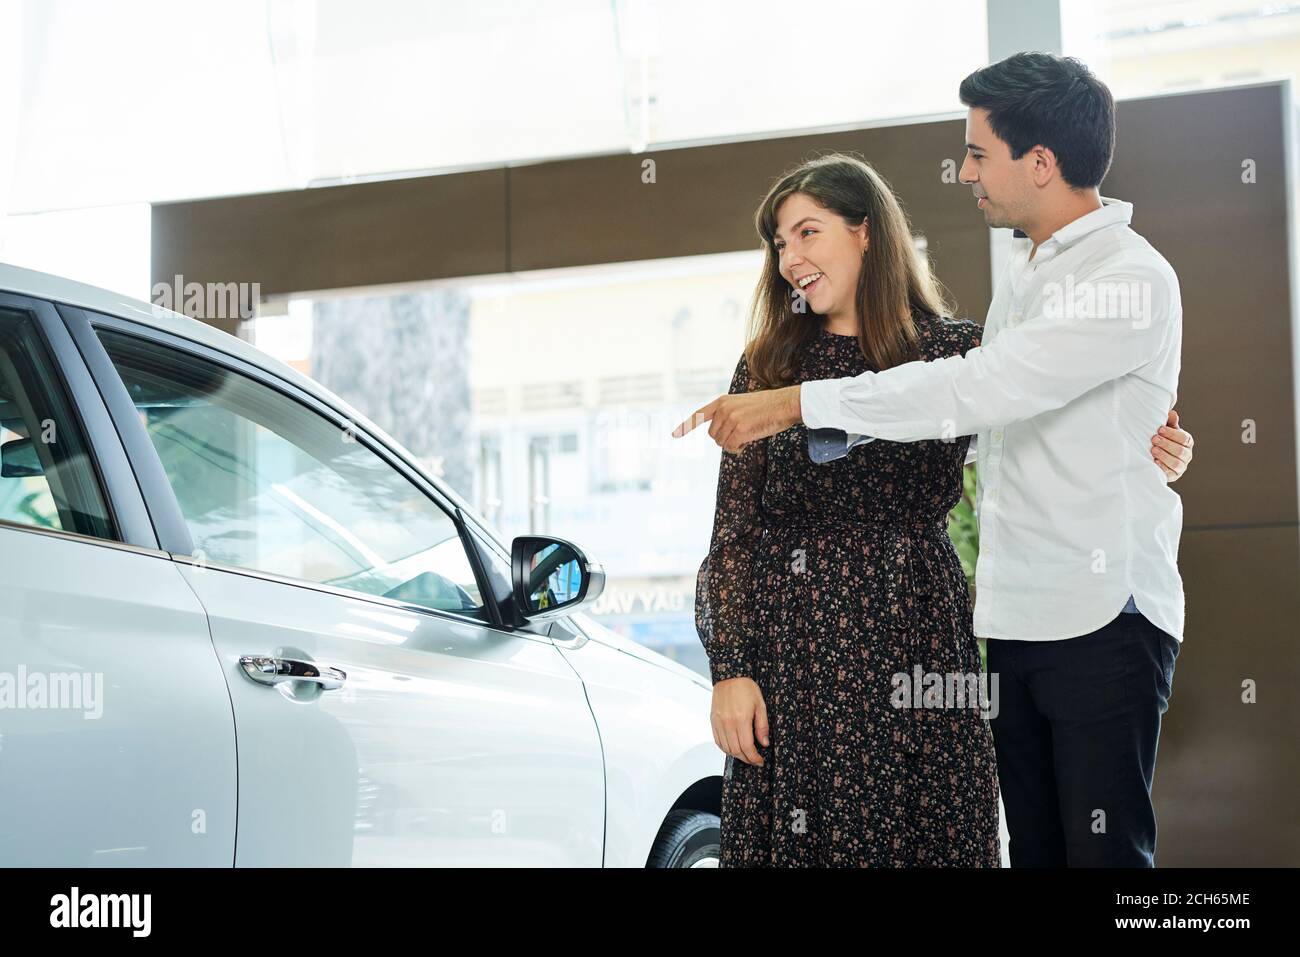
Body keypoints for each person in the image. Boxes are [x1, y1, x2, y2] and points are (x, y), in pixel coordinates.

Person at [676, 53, 1191, 868]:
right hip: (963, 634)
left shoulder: (1113, 282)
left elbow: (985, 389)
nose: (965, 172)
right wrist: (730, 665)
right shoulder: (1025, 278)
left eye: (979, 153)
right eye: (780, 240)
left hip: (1051, 624)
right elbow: (734, 531)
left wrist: (797, 404)